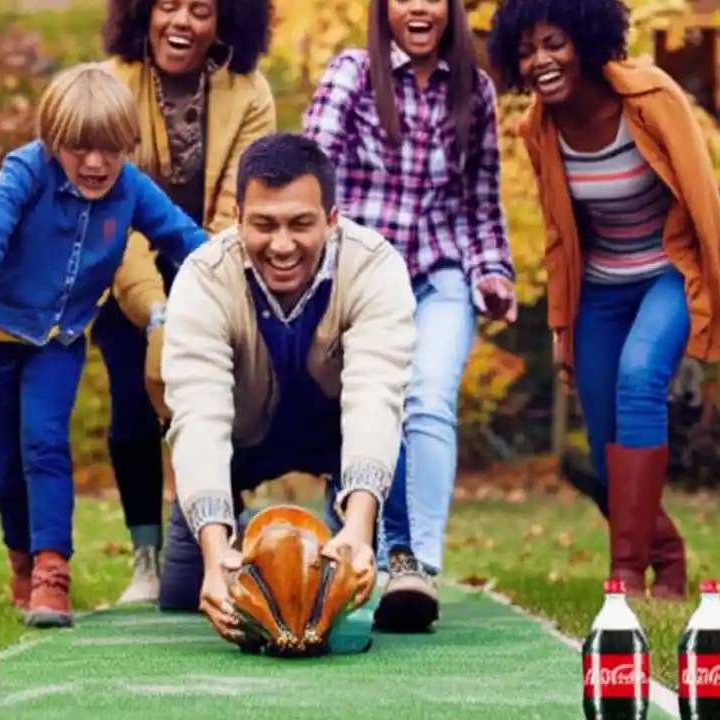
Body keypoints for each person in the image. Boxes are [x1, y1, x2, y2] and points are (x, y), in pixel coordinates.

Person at [0, 63, 209, 628]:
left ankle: (52, 572)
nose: (95, 164)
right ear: (52, 141)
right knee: (6, 468)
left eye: (110, 150)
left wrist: (244, 272)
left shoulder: (130, 188)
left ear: (126, 146)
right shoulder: (26, 173)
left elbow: (187, 239)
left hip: (58, 341)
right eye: (79, 149)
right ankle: (21, 554)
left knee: (44, 443)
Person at [487, 0, 720, 600]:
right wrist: (561, 321)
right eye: (526, 51)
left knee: (640, 377)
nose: (540, 61)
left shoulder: (651, 100)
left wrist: (714, 295)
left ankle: (625, 570)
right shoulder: (536, 130)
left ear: (586, 39)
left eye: (553, 43)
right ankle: (668, 557)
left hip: (666, 272)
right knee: (604, 445)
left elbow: (705, 205)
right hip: (600, 286)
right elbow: (557, 234)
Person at [301, 0, 517, 632]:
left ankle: (417, 565)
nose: (418, 7)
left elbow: (481, 197)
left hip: (439, 273)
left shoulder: (475, 89)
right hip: (362, 276)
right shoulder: (351, 73)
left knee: (428, 397)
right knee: (375, 403)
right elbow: (311, 180)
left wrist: (493, 272)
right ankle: (356, 522)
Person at [152, 132, 416, 641]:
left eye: (301, 224)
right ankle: (250, 529)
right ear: (237, 216)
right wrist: (216, 554)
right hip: (239, 444)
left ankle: (389, 549)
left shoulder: (376, 267)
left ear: (332, 219)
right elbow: (198, 418)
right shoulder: (203, 278)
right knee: (185, 593)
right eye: (264, 224)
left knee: (356, 591)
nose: (282, 245)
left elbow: (375, 398)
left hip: (338, 439)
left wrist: (358, 531)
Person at [93, 0, 276, 606]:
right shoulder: (112, 86)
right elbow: (115, 216)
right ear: (143, 12)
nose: (182, 22)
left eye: (200, 10)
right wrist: (156, 313)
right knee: (132, 406)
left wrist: (197, 297)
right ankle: (146, 556)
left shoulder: (249, 92)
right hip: (125, 262)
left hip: (214, 260)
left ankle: (222, 525)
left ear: (223, 21)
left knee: (220, 397)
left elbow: (236, 210)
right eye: (168, 5)